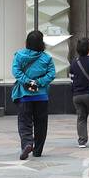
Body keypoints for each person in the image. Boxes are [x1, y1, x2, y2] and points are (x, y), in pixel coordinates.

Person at [11, 30, 56, 161]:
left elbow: (16, 71)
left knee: (25, 122)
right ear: (41, 43)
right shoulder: (47, 58)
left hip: (25, 95)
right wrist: (39, 83)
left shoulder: (19, 55)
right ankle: (38, 150)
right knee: (41, 124)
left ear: (27, 42)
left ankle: (27, 144)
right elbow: (51, 74)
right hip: (41, 96)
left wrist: (28, 81)